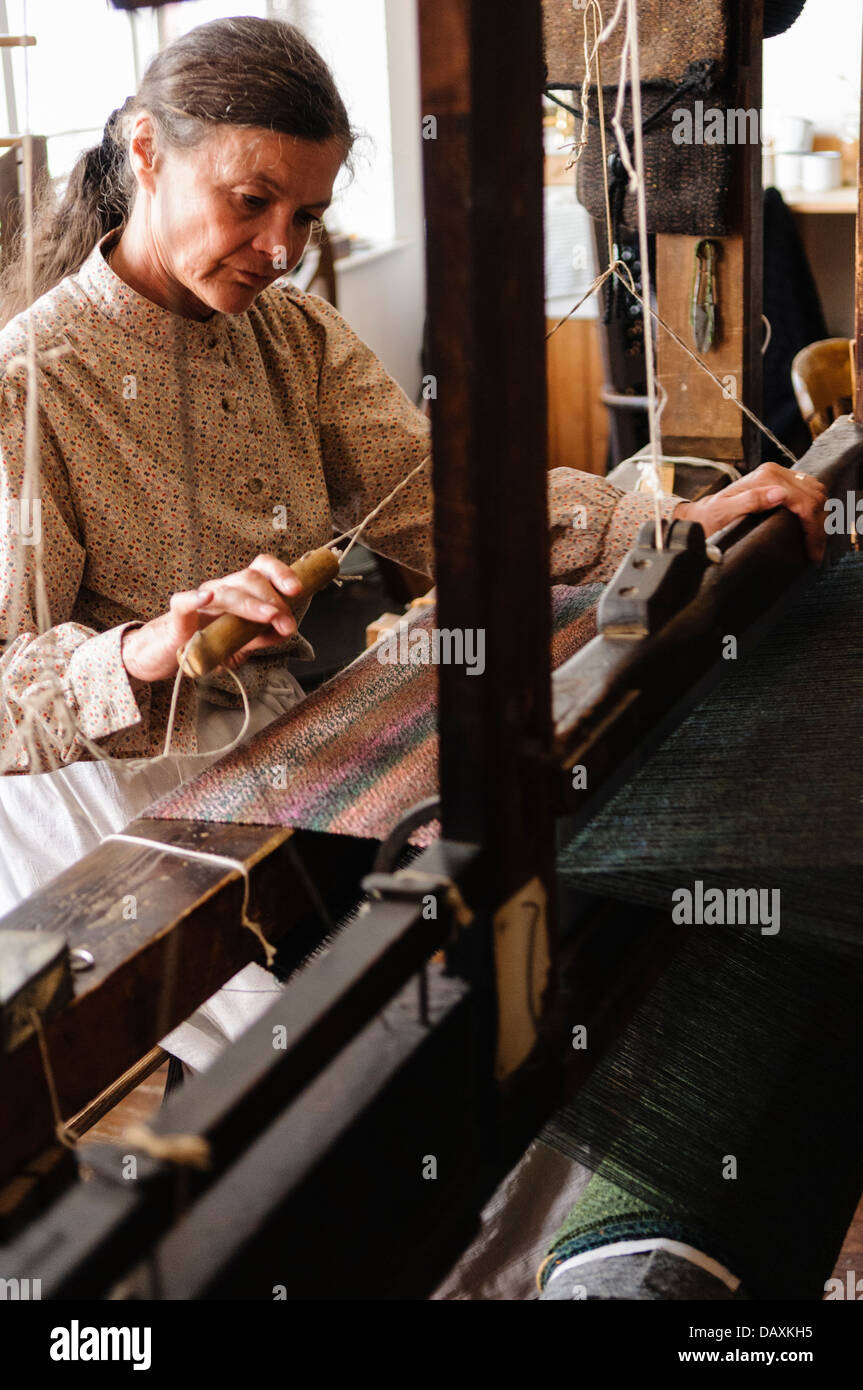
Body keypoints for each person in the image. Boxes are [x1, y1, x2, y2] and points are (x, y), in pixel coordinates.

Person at [0, 13, 825, 1269]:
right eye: (250, 201)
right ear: (143, 153)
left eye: (309, 213)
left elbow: (449, 513)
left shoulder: (293, 334)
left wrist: (671, 521)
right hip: (149, 790)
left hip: (303, 745)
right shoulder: (32, 385)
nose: (281, 248)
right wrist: (147, 651)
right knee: (394, 1032)